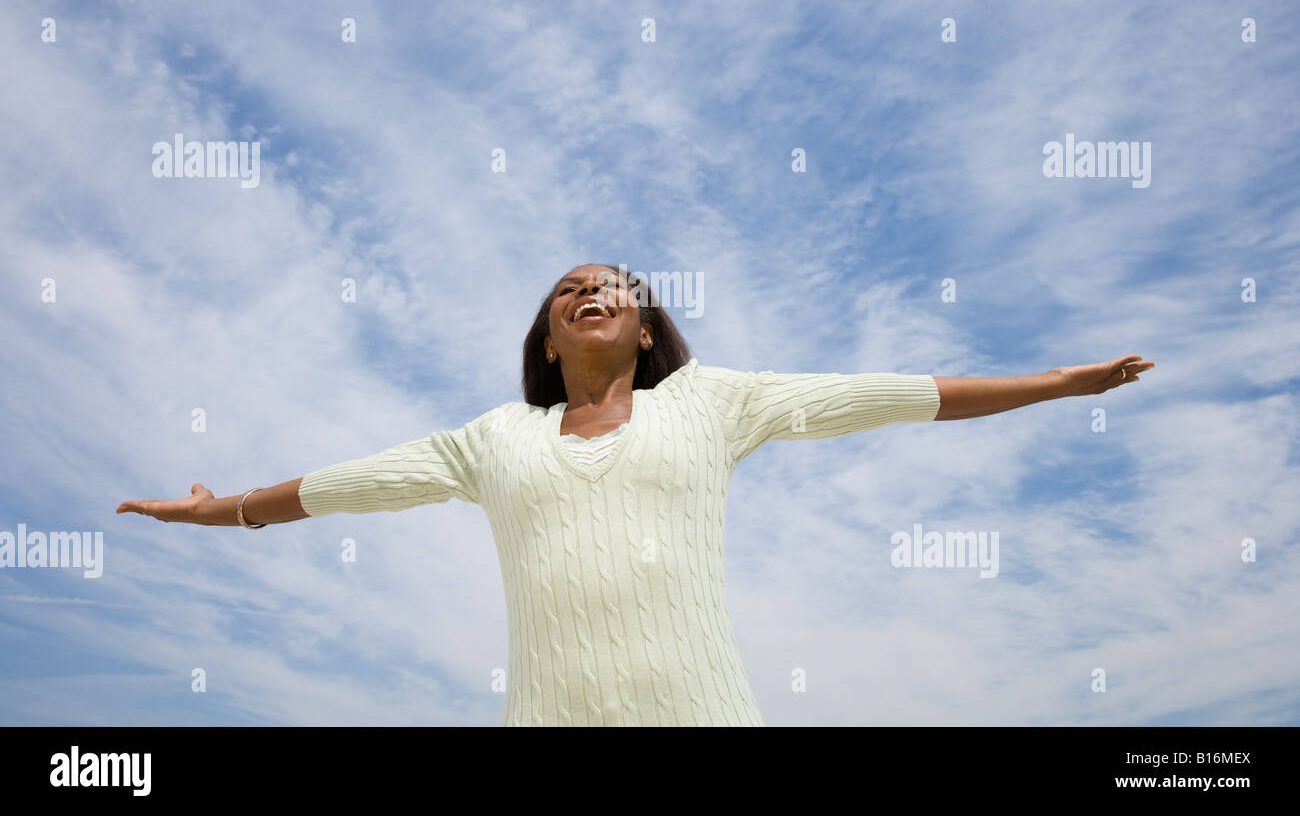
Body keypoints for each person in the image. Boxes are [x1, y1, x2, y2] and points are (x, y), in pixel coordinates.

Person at [117, 263, 1154, 725]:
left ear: (646, 328)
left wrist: (1059, 382)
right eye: (568, 289)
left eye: (613, 284)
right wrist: (224, 510)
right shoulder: (494, 437)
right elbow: (349, 483)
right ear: (548, 334)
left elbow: (887, 395)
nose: (590, 291)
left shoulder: (713, 401)